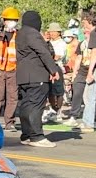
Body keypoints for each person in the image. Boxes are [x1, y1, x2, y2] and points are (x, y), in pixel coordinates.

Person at [15, 10, 61, 147]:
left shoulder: (20, 33)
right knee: (36, 105)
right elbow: (43, 52)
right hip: (37, 75)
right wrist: (53, 70)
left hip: (23, 76)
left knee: (26, 105)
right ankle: (37, 136)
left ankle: (26, 135)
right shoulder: (33, 34)